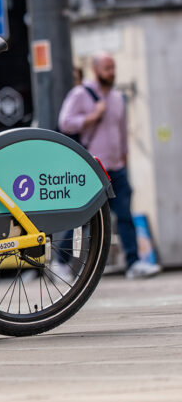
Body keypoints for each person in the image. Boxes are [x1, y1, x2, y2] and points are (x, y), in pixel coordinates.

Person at [58, 52, 160, 280]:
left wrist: (125, 157)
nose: (112, 72)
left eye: (113, 67)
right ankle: (61, 262)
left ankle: (134, 263)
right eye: (107, 68)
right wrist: (91, 118)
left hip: (116, 167)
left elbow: (122, 131)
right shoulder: (80, 94)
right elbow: (65, 122)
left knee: (125, 215)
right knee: (84, 217)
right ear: (95, 70)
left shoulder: (116, 98)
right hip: (93, 168)